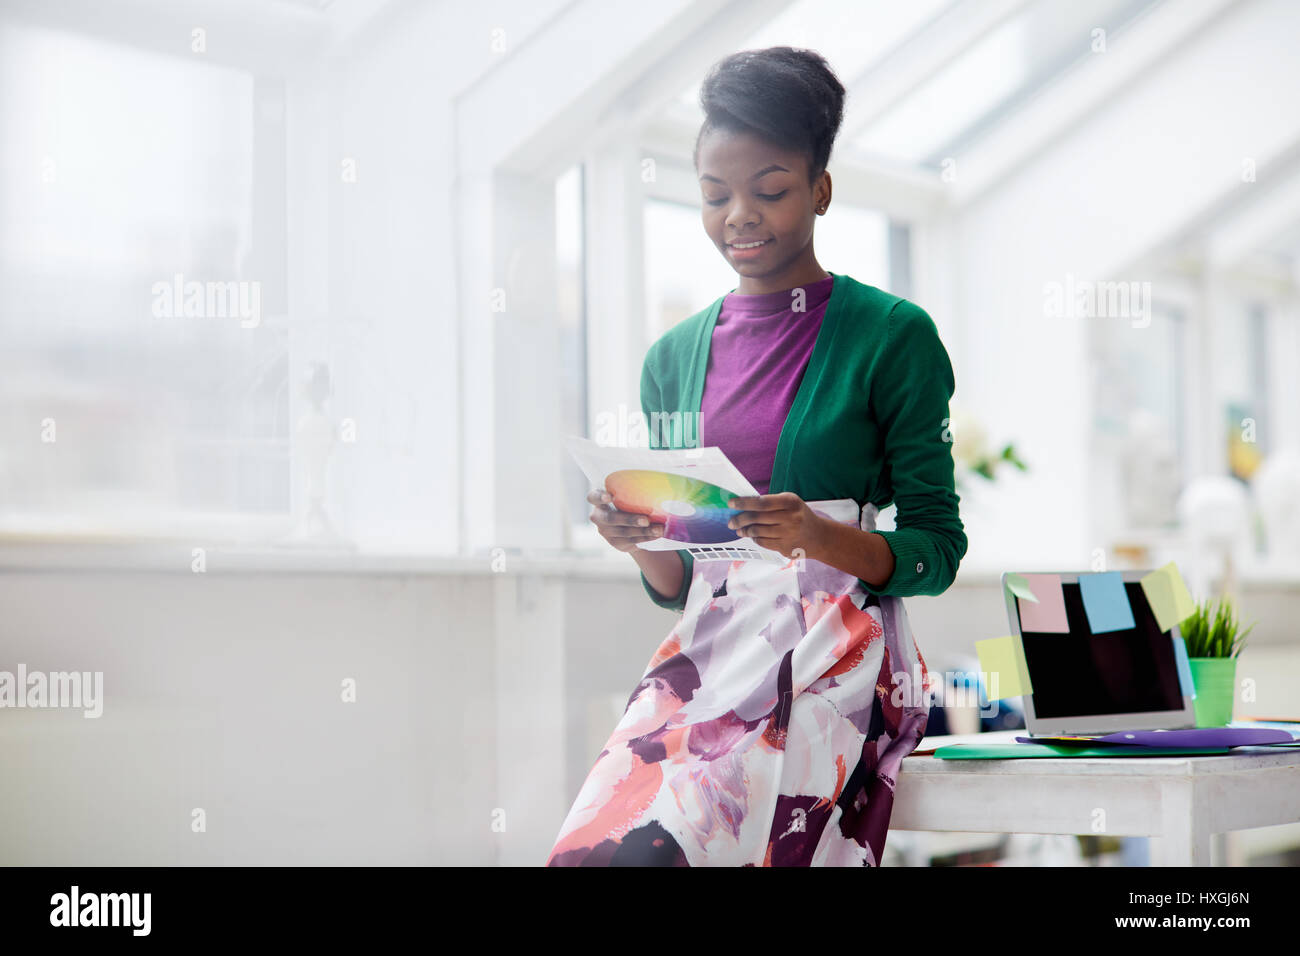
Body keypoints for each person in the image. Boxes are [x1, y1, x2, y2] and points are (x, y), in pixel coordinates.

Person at [546, 46, 967, 866]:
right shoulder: (672, 357)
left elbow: (938, 548)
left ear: (819, 189)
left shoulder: (892, 336)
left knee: (690, 844)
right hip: (708, 655)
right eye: (713, 195)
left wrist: (816, 535)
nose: (738, 214)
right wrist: (642, 541)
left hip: (838, 653)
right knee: (598, 851)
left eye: (769, 190)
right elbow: (684, 581)